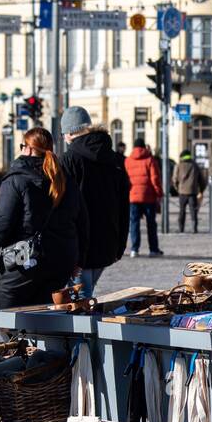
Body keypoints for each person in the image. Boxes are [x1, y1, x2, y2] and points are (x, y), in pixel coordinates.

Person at [0, 127, 87, 308]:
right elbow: (82, 222)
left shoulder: (17, 179)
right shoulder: (65, 178)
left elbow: (1, 225)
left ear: (27, 148)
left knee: (3, 315)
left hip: (25, 261)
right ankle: (33, 337)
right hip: (61, 260)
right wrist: (78, 260)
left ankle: (23, 337)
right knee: (44, 315)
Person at [59, 106, 129, 295]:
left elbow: (62, 204)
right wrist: (120, 243)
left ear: (70, 133)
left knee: (80, 302)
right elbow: (124, 205)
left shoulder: (69, 159)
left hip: (80, 244)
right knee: (84, 296)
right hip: (108, 241)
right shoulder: (114, 159)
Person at [122, 138, 164, 257]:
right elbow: (155, 179)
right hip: (148, 197)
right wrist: (159, 193)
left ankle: (134, 249)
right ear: (144, 147)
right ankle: (153, 249)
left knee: (134, 223)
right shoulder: (150, 159)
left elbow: (125, 179)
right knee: (151, 223)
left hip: (133, 197)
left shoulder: (128, 161)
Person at [172, 148, 207, 233]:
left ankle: (181, 228)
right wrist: (201, 190)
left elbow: (174, 179)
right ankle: (194, 228)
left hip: (182, 192)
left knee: (182, 211)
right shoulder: (195, 165)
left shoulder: (178, 165)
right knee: (193, 211)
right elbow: (202, 180)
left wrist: (178, 189)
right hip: (193, 191)